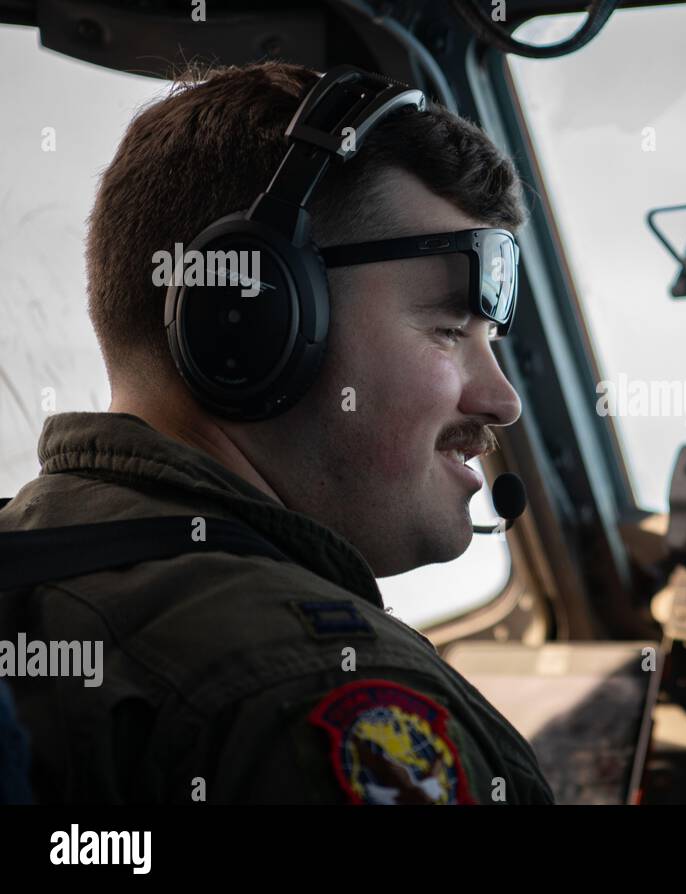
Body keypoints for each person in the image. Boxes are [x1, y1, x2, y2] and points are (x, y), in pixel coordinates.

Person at [0, 61, 554, 804]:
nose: (502, 401)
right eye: (450, 329)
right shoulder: (311, 692)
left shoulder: (37, 562)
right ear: (253, 318)